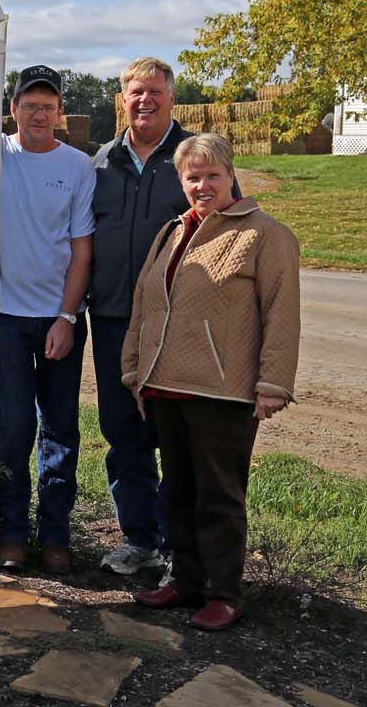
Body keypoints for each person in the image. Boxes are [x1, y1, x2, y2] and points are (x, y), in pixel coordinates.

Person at [121, 133, 299, 630]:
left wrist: (273, 383)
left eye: (211, 175)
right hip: (165, 387)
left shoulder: (265, 235)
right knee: (176, 492)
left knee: (218, 496)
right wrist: (134, 370)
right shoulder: (171, 233)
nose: (202, 185)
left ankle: (224, 592)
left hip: (223, 391)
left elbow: (281, 316)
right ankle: (186, 581)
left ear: (231, 175)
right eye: (192, 177)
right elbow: (144, 306)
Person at [90, 57, 230, 577]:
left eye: (154, 91)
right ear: (122, 99)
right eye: (134, 92)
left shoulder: (192, 156)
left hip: (177, 323)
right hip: (109, 318)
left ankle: (180, 548)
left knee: (175, 434)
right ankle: (139, 538)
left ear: (172, 98)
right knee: (122, 432)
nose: (143, 100)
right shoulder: (101, 161)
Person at [0, 64, 95, 573]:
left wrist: (67, 317)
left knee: (60, 430)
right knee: (11, 430)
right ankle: (10, 532)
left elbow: (82, 248)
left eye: (48, 106)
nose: (39, 113)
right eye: (29, 104)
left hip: (58, 319)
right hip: (4, 319)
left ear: (59, 114)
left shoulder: (78, 165)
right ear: (12, 110)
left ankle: (55, 534)